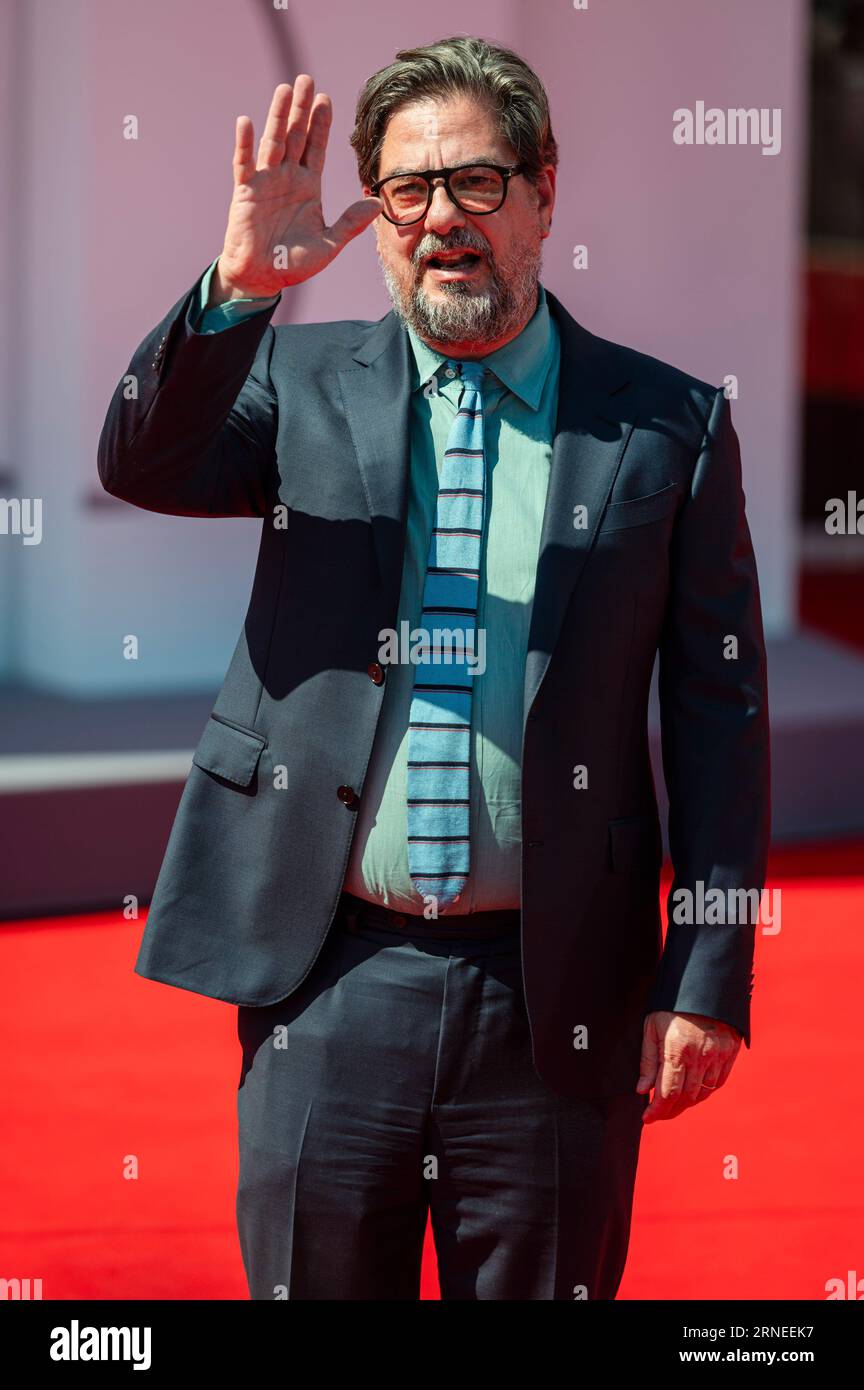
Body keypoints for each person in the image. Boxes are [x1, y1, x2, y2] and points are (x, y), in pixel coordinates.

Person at [97, 35, 771, 1301]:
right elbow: (139, 459)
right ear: (378, 211)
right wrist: (237, 289)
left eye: (477, 181)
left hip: (559, 995)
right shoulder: (296, 380)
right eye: (408, 190)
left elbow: (719, 715)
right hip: (327, 977)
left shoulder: (668, 424)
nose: (441, 219)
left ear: (544, 193)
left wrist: (711, 974)